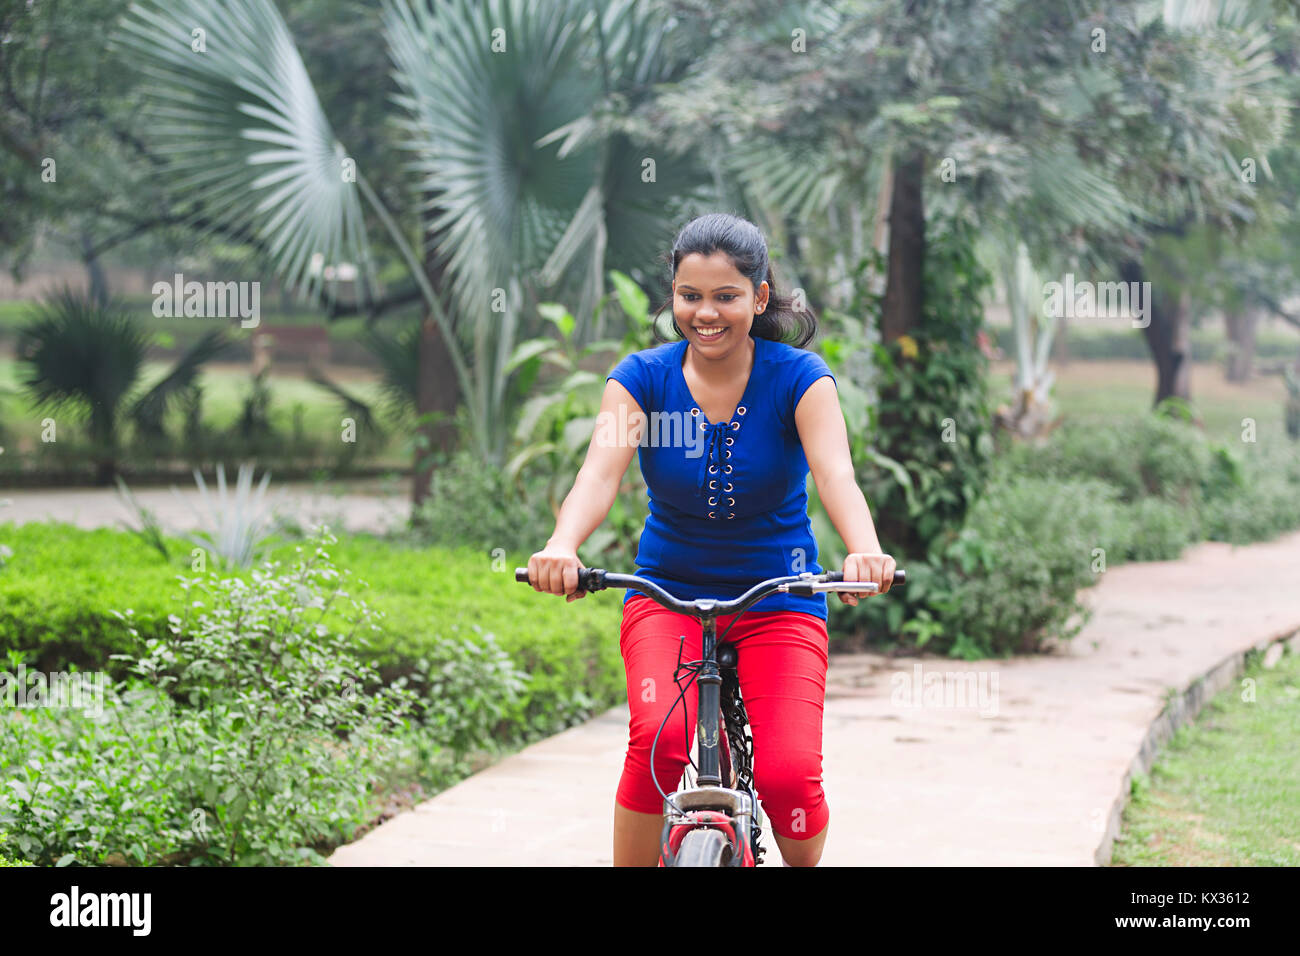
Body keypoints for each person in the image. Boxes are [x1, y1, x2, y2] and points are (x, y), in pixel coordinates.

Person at [525, 212, 896, 866]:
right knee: (657, 746)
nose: (706, 313)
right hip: (665, 596)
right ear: (673, 295)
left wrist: (862, 548)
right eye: (690, 295)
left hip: (779, 600)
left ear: (758, 296)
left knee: (788, 781)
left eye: (726, 296)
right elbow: (598, 474)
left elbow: (836, 475)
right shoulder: (641, 378)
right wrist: (562, 545)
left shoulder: (799, 378)